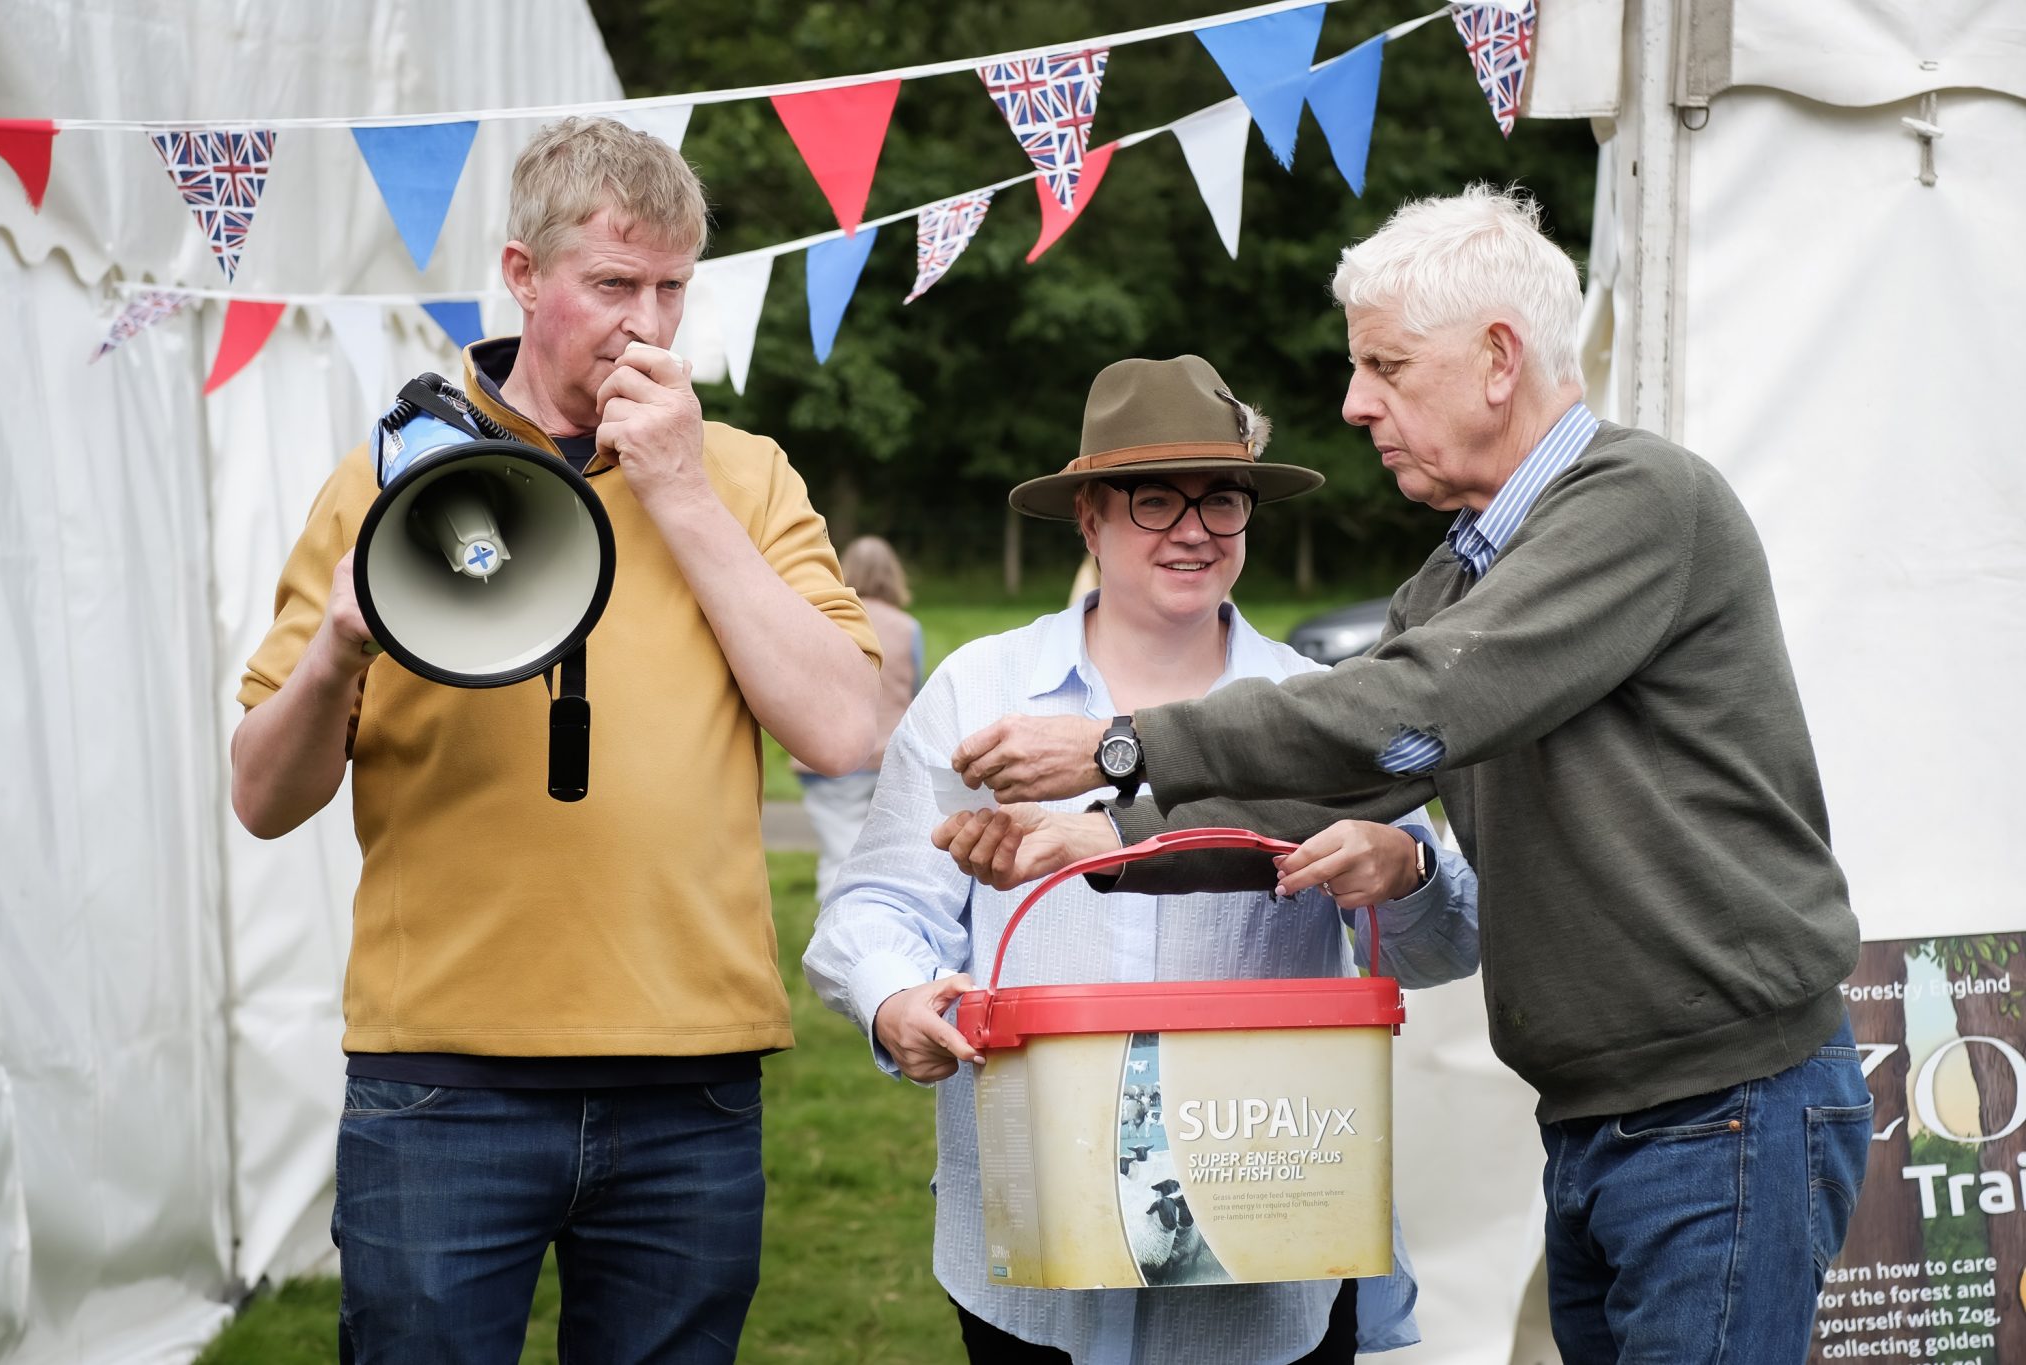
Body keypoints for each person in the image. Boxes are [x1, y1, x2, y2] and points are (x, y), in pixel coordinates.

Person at [938, 187, 1872, 1365]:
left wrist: (1126, 743)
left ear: (1496, 358)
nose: (1350, 404)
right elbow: (1342, 776)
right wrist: (1100, 835)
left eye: (1383, 363)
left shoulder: (1641, 503)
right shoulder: (1459, 576)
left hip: (1722, 1106)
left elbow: (1417, 702)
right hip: (1616, 1122)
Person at [228, 116, 882, 1362]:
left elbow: (846, 730)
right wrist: (337, 653)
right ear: (523, 276)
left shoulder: (740, 476)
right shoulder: (387, 476)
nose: (647, 324)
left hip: (687, 1074)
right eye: (612, 284)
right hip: (442, 1083)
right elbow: (263, 797)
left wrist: (681, 492)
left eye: (673, 289)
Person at [802, 355, 1480, 1364]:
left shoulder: (1315, 705)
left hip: (1266, 1248)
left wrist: (1405, 872)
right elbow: (878, 906)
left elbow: (1438, 947)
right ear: (1089, 519)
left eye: (1221, 499)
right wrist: (896, 998)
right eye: (1154, 501)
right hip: (1031, 1252)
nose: (1194, 530)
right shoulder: (982, 692)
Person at [794, 535, 924, 894]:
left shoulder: (822, 621)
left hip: (827, 756)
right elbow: (915, 691)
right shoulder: (907, 628)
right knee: (884, 854)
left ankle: (834, 934)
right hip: (887, 759)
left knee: (838, 854)